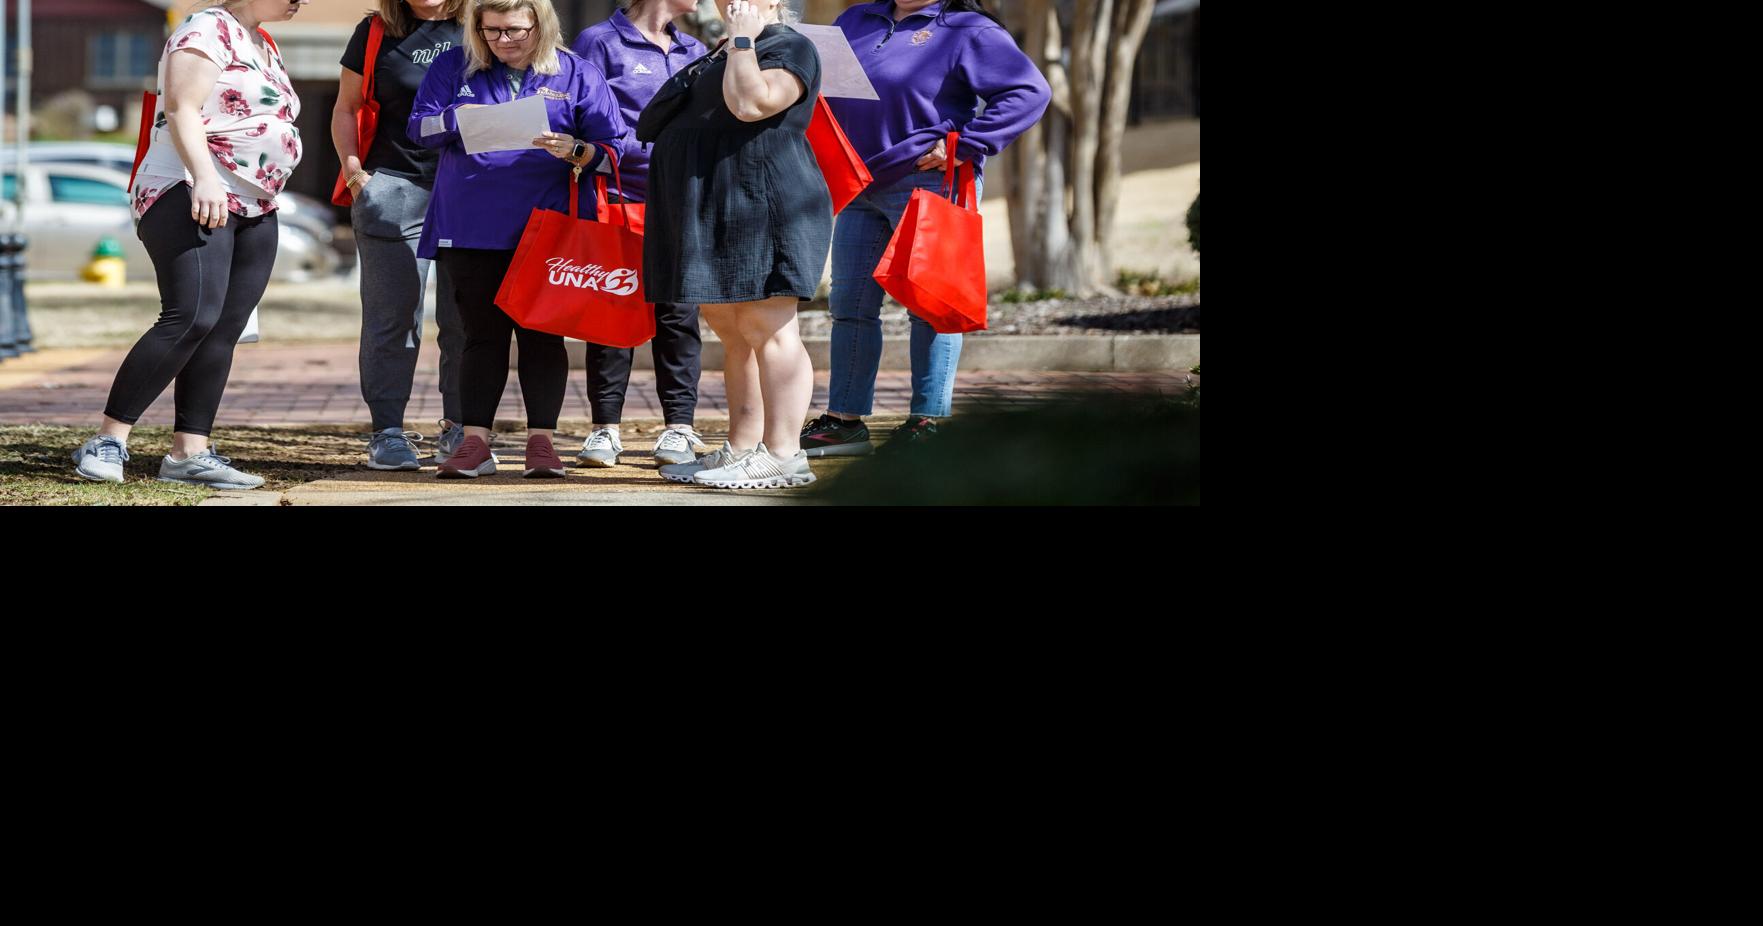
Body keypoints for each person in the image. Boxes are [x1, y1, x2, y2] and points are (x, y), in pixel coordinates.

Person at [73, 0, 310, 489]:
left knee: (224, 327)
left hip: (255, 202)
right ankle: (107, 440)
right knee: (192, 315)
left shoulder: (261, 40)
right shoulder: (206, 29)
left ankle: (189, 453)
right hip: (190, 186)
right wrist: (204, 178)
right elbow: (181, 108)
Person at [800, 0, 1049, 456]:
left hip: (927, 178)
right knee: (850, 303)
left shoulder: (967, 29)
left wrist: (968, 145)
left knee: (931, 304)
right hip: (859, 181)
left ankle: (928, 422)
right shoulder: (854, 20)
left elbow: (1029, 91)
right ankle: (845, 423)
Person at [408, 0, 627, 478]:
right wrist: (456, 119)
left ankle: (541, 444)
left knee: (542, 336)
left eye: (514, 31)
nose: (502, 41)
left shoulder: (576, 73)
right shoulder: (454, 65)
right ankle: (474, 444)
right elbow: (418, 128)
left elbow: (616, 151)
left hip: (547, 227)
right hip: (470, 225)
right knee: (480, 336)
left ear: (540, 25)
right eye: (490, 31)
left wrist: (576, 150)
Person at [639, 0, 829, 489]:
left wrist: (742, 41)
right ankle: (744, 446)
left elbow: (752, 105)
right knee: (731, 326)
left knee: (767, 324)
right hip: (711, 204)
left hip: (763, 203)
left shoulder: (789, 46)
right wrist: (731, 46)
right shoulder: (723, 49)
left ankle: (785, 455)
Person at [334, 0, 470, 470]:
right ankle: (388, 432)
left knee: (464, 319)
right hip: (394, 186)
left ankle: (460, 428)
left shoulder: (482, 25)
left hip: (471, 191)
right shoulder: (375, 32)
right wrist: (355, 173)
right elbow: (346, 107)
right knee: (393, 320)